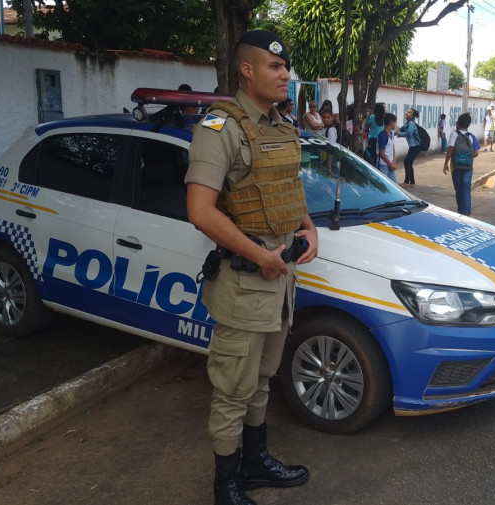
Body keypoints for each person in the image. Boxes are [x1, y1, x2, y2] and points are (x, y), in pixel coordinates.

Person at [183, 30, 318, 505]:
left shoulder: (280, 126)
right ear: (247, 70)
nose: (285, 74)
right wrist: (261, 255)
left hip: (279, 279)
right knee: (231, 390)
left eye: (286, 67)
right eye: (275, 67)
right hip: (245, 281)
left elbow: (289, 187)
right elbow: (200, 211)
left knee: (262, 379)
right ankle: (226, 486)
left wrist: (309, 229)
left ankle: (256, 463)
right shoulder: (221, 128)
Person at [443, 113, 480, 216]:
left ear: (458, 123)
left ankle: (461, 211)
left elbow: (450, 149)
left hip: (456, 166)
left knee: (458, 189)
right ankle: (467, 212)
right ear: (468, 124)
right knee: (466, 189)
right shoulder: (472, 136)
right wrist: (467, 157)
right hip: (468, 167)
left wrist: (446, 163)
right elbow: (476, 153)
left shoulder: (454, 134)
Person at [397, 108, 422, 187]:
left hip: (416, 146)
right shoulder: (407, 123)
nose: (407, 113)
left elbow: (409, 134)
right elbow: (401, 129)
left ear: (413, 116)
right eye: (407, 112)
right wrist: (396, 131)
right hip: (413, 146)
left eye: (409, 113)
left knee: (407, 162)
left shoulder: (411, 123)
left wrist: (399, 133)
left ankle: (407, 182)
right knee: (408, 162)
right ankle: (412, 182)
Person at [377, 113, 398, 182]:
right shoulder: (383, 135)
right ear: (391, 123)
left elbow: (392, 148)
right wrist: (390, 164)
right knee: (383, 184)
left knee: (394, 185)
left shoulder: (391, 134)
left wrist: (393, 162)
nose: (395, 124)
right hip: (384, 164)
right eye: (395, 122)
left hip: (390, 163)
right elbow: (382, 153)